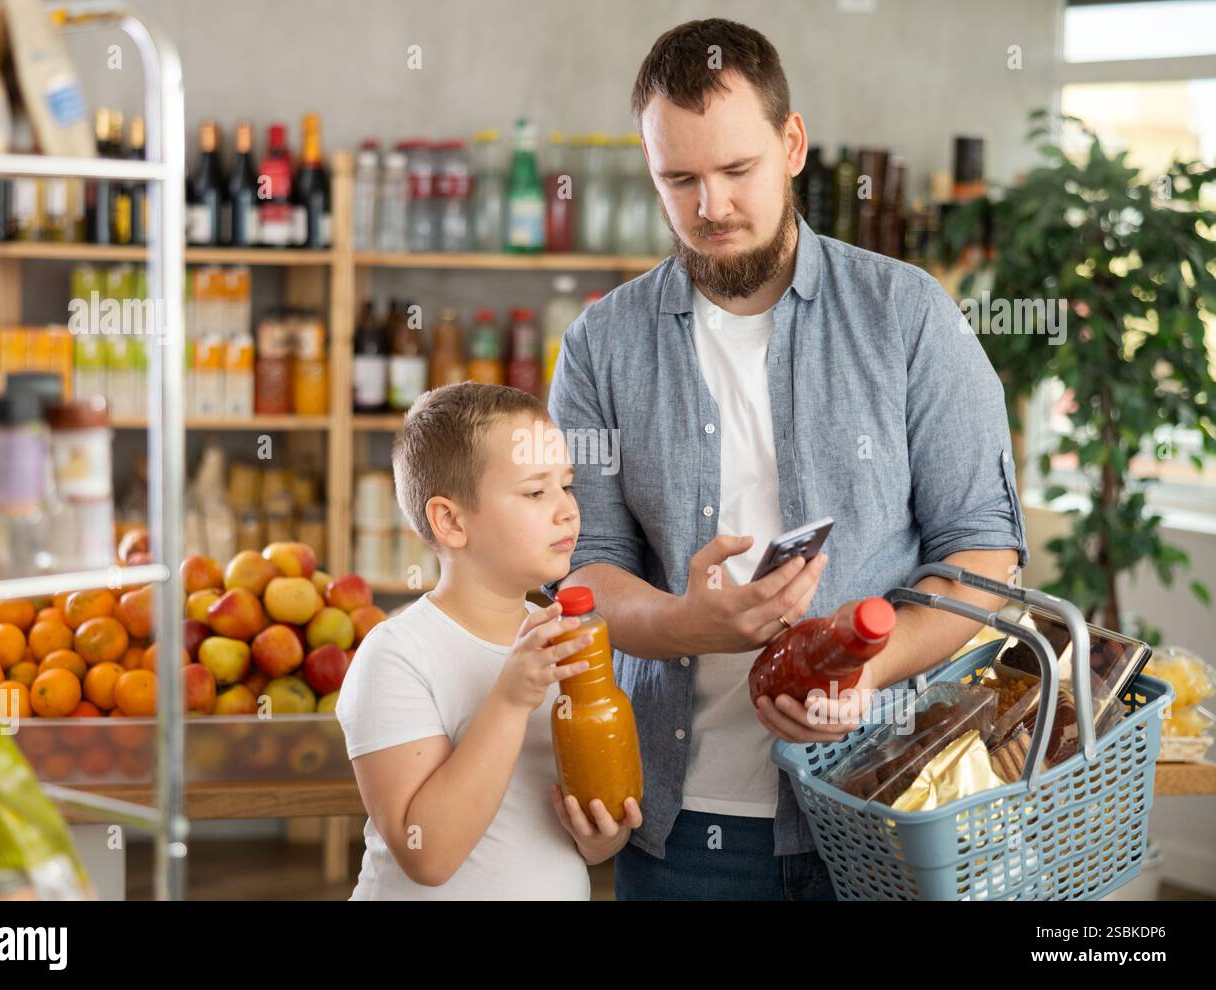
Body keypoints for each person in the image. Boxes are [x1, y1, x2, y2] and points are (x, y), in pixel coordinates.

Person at [547, 18, 1027, 901]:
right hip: (681, 828)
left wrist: (868, 665)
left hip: (884, 797)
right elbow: (586, 568)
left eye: (737, 170)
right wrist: (686, 623)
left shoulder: (909, 315)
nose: (712, 206)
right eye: (680, 179)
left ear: (792, 144)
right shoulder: (600, 346)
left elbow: (983, 553)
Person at [336, 382, 641, 899]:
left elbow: (581, 838)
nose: (568, 510)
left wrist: (601, 836)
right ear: (451, 521)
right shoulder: (397, 654)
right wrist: (510, 698)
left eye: (567, 486)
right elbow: (426, 855)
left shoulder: (566, 638)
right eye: (535, 492)